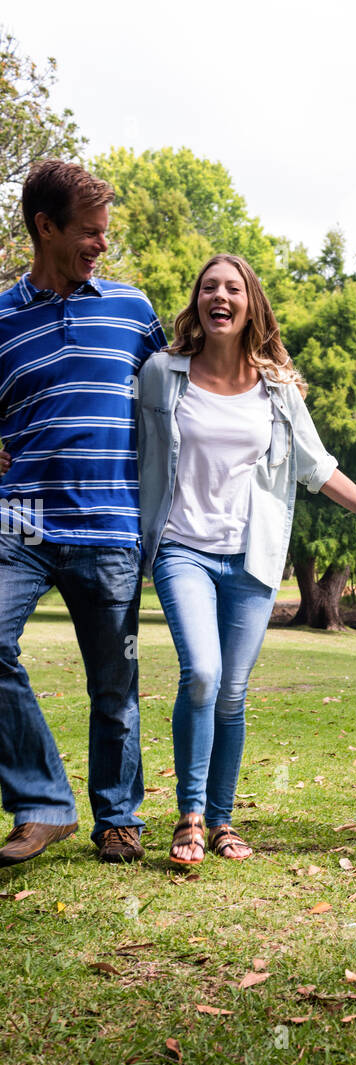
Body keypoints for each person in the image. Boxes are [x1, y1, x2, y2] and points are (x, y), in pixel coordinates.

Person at [138, 254, 356, 866]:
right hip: (182, 547)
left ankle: (223, 820)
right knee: (203, 674)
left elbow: (318, 469)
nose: (219, 296)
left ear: (250, 304)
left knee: (231, 692)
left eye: (232, 288)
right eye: (208, 286)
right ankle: (188, 816)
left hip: (254, 558)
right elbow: (123, 439)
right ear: (197, 302)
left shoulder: (278, 391)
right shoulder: (162, 373)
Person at [0, 160, 166, 868]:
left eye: (105, 233)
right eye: (89, 233)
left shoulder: (133, 312)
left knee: (114, 683)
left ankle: (118, 815)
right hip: (22, 521)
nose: (102, 244)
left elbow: (187, 388)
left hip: (110, 524)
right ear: (45, 228)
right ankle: (42, 805)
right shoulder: (1, 318)